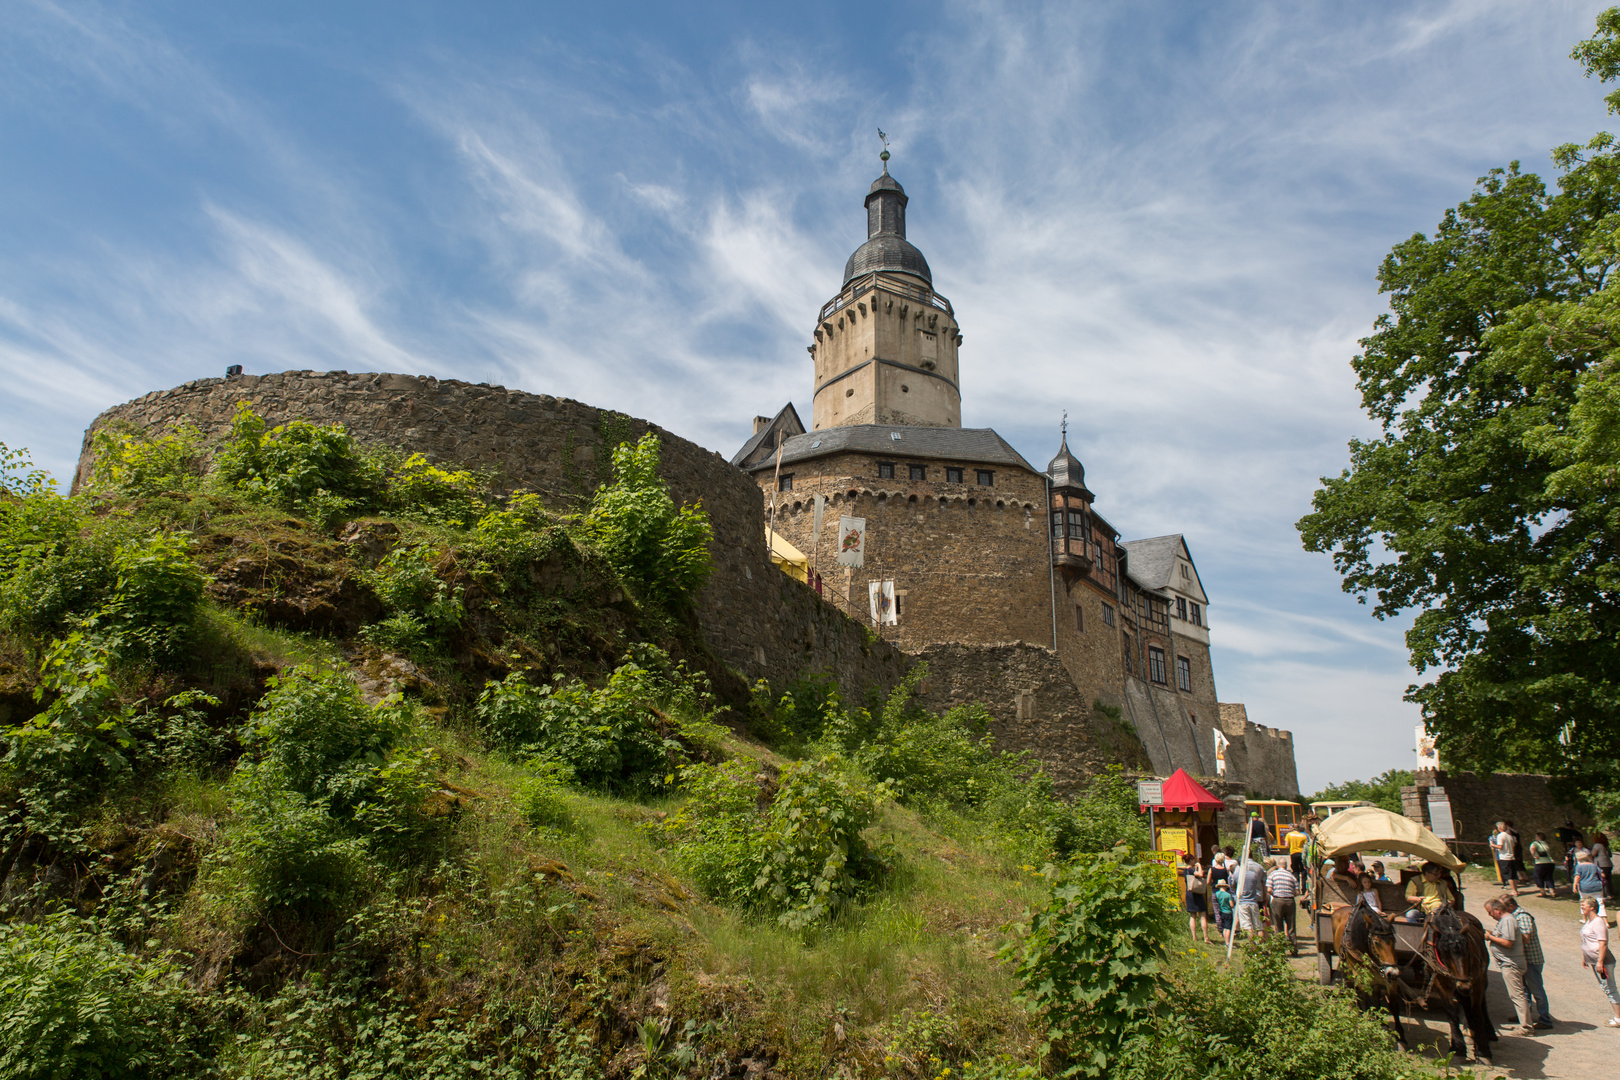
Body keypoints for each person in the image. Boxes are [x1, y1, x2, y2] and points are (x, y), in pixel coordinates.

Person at [1482, 897, 1537, 1036]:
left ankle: (1526, 1027)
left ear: (1497, 909)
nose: (1490, 915)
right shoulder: (1506, 921)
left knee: (1517, 995)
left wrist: (1490, 938)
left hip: (1511, 964)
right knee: (1518, 995)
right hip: (1510, 964)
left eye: (1490, 912)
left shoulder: (1508, 921)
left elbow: (1508, 943)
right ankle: (1525, 1024)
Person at [1502, 896, 1554, 1029]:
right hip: (1524, 959)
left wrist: (1508, 938)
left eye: (1503, 907)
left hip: (1531, 960)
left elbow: (1526, 938)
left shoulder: (1522, 917)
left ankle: (1545, 1019)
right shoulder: (1515, 916)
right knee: (1525, 990)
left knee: (1537, 990)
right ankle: (1526, 1016)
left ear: (1511, 906)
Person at [1579, 895, 1620, 1028]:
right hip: (1594, 961)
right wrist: (1586, 958)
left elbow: (1603, 944)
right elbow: (1587, 941)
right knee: (1606, 988)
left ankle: (1618, 1018)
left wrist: (1600, 962)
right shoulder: (1589, 921)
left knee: (1610, 988)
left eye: (1583, 905)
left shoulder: (1598, 922)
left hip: (1604, 962)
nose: (1581, 907)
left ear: (1592, 907)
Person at [1267, 856, 1299, 955]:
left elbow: (1268, 890)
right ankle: (1293, 948)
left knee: (1278, 925)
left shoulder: (1273, 875)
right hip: (1289, 901)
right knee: (1291, 926)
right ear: (1286, 866)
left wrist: (1275, 895)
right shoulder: (1291, 876)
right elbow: (1297, 891)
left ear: (1278, 865)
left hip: (1278, 900)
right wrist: (1290, 894)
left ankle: (1280, 949)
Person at [1236, 848, 1267, 942]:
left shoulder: (1239, 868)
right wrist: (1265, 896)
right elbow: (1264, 883)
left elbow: (1234, 881)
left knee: (1248, 924)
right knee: (1260, 922)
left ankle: (1253, 946)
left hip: (1243, 897)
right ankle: (1263, 943)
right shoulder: (1259, 867)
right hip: (1258, 896)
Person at [1184, 856, 1212, 944]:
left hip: (1189, 893)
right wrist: (1199, 865)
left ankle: (1194, 937)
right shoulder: (1191, 870)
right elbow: (1200, 874)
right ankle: (1206, 937)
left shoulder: (1185, 870)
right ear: (1191, 860)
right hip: (1196, 894)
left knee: (1193, 916)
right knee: (1202, 915)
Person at [1575, 850, 1607, 917]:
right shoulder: (1593, 865)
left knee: (1584, 902)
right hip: (1597, 886)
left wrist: (1574, 886)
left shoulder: (1579, 866)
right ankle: (1605, 921)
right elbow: (1603, 875)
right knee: (1600, 903)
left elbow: (1577, 877)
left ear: (1578, 858)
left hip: (1584, 887)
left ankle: (1585, 919)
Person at [1493, 821, 1519, 896]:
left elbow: (1500, 846)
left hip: (1505, 857)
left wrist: (1493, 845)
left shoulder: (1501, 836)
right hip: (1512, 857)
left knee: (1509, 875)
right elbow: (1514, 845)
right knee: (1514, 874)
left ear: (1500, 828)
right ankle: (1515, 889)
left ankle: (1514, 891)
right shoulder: (1510, 836)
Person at [1555, 819, 1585, 885]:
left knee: (1578, 863)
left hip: (1577, 850)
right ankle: (1569, 879)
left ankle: (1579, 877)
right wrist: (1565, 851)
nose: (1569, 827)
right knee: (1568, 865)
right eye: (1568, 826)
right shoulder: (1565, 833)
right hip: (1569, 850)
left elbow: (1581, 840)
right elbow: (1563, 843)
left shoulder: (1576, 833)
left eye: (1570, 826)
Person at [1529, 832, 1557, 898]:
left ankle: (1542, 892)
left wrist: (1534, 855)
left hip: (1540, 863)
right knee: (1549, 877)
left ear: (1538, 837)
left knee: (1538, 877)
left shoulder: (1535, 843)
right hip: (1550, 862)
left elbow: (1533, 848)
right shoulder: (1546, 844)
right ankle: (1552, 892)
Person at [1284, 821, 1309, 889]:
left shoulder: (1289, 835)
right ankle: (1303, 888)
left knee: (1295, 870)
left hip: (1293, 853)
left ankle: (1296, 887)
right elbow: (1306, 846)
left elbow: (1286, 845)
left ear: (1293, 828)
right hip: (1301, 853)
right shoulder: (1303, 836)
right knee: (1303, 870)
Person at [1213, 880, 1236, 947]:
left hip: (1222, 912)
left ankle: (1225, 941)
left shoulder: (1217, 894)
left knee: (1224, 928)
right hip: (1228, 912)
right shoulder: (1228, 895)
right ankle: (1228, 942)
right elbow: (1231, 905)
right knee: (1228, 928)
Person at [1593, 831, 1614, 898]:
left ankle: (1603, 894)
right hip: (1608, 864)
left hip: (1601, 864)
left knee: (1601, 880)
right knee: (1608, 880)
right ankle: (1610, 894)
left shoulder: (1597, 845)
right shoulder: (1606, 846)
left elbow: (1593, 854)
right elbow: (1610, 855)